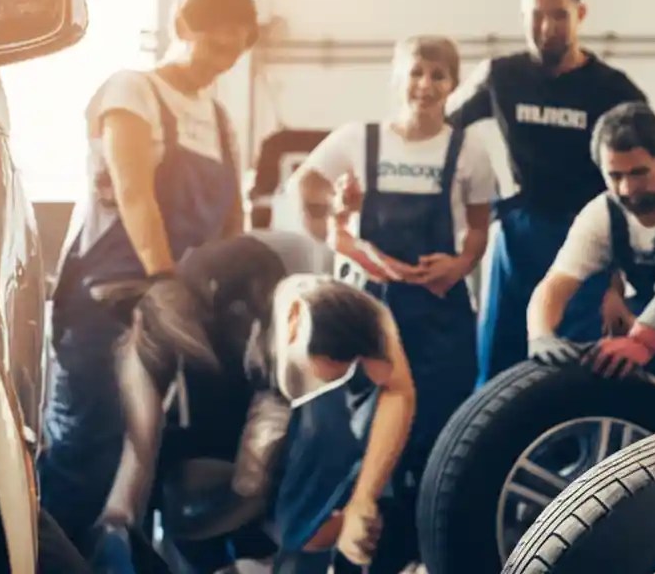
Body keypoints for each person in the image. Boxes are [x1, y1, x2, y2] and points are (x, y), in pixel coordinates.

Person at [39, 0, 258, 553]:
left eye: (235, 52)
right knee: (90, 449)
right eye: (215, 45)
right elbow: (136, 198)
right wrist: (165, 284)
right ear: (182, 26)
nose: (223, 63)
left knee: (154, 459)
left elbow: (231, 222)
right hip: (104, 305)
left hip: (180, 316)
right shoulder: (130, 92)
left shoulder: (220, 119)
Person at [86, 229, 416, 574]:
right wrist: (120, 521)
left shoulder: (343, 314)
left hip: (263, 345)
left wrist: (362, 499)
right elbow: (139, 457)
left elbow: (398, 389)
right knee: (145, 482)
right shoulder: (167, 334)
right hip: (194, 346)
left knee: (282, 470)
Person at [294, 34, 498, 568]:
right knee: (364, 444)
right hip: (371, 311)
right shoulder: (357, 140)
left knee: (436, 441)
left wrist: (458, 265)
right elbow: (306, 191)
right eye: (415, 72)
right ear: (396, 76)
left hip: (440, 315)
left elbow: (479, 230)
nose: (424, 85)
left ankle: (421, 557)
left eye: (437, 75)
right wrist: (336, 221)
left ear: (453, 85)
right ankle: (357, 558)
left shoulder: (469, 150)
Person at [447, 0, 649, 385]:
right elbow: (441, 126)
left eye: (558, 15)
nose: (546, 28)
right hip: (519, 233)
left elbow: (636, 191)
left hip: (587, 239)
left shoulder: (614, 91)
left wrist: (617, 283)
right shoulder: (502, 77)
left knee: (575, 372)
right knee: (497, 369)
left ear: (580, 14)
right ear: (523, 16)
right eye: (536, 16)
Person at [526, 102, 655, 417]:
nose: (628, 188)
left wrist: (641, 340)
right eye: (615, 176)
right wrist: (540, 334)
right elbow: (555, 285)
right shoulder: (601, 214)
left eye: (639, 173)